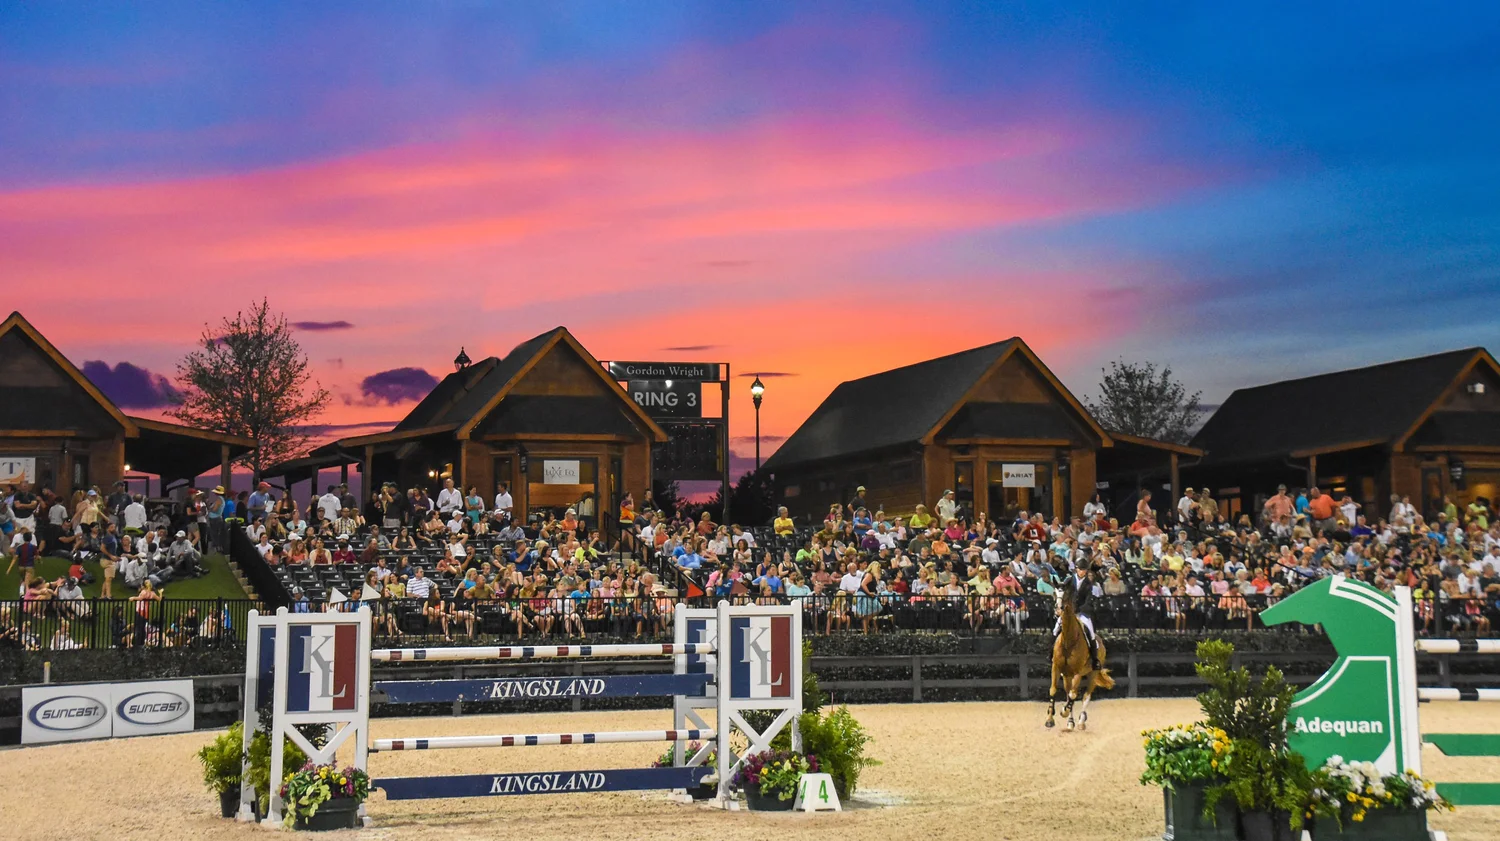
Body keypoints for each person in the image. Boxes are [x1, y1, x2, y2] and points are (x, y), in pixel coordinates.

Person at [1053, 561, 1100, 671]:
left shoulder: (1088, 583)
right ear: (1077, 569)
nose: (1082, 572)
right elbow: (1062, 591)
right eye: (1080, 569)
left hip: (1082, 612)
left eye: (1084, 570)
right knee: (1056, 629)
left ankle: (1095, 660)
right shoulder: (1069, 579)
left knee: (1091, 633)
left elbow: (1088, 600)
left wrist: (1080, 609)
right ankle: (1051, 654)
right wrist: (1060, 607)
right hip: (1069, 611)